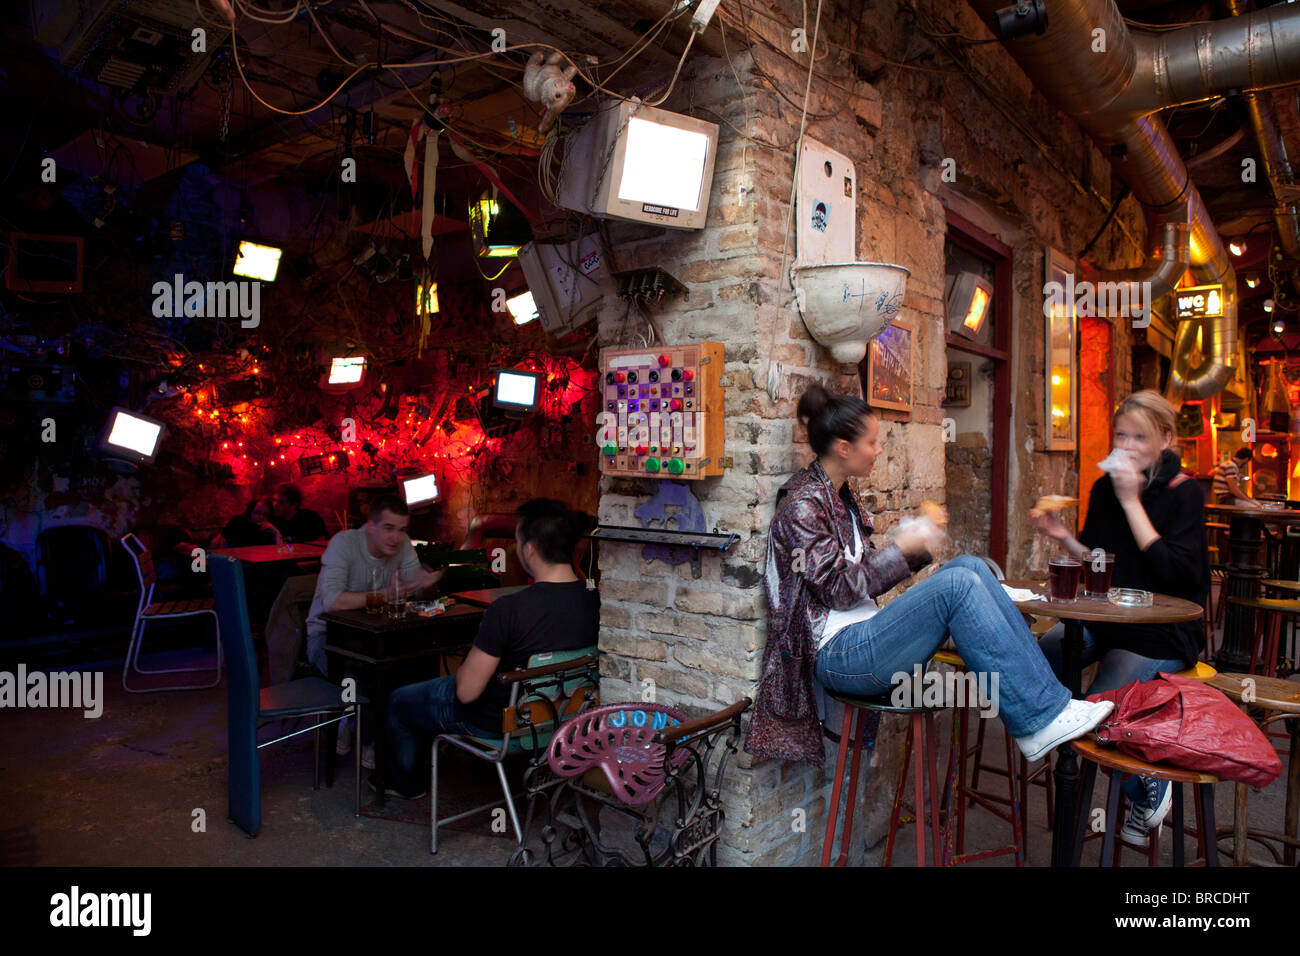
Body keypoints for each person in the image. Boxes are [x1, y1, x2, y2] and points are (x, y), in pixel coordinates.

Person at [746, 384, 1112, 772]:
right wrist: (900, 551)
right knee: (958, 585)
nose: (879, 450)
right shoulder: (803, 505)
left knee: (970, 567)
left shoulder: (839, 496)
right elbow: (837, 590)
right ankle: (1039, 718)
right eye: (873, 442)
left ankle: (1047, 706)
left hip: (862, 637)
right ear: (843, 448)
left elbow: (863, 580)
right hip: (838, 655)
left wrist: (912, 546)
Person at [1031, 389, 1209, 848]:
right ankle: (1063, 745)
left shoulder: (1184, 492)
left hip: (1160, 631)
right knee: (1036, 659)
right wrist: (1065, 539)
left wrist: (1133, 502)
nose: (1126, 447)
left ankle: (1144, 786)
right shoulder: (1102, 487)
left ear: (1166, 439)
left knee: (1098, 709)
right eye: (1120, 435)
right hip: (1109, 615)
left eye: (1140, 438)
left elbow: (1179, 576)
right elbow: (1099, 563)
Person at [383, 499, 599, 799]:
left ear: (529, 549)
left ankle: (407, 786)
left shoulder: (508, 609)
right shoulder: (597, 600)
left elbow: (466, 693)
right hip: (565, 720)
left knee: (398, 700)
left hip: (499, 724)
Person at [213, 497, 282, 549]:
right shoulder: (239, 522)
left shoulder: (269, 532)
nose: (261, 517)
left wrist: (276, 533)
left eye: (265, 514)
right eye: (257, 513)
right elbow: (224, 540)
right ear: (250, 512)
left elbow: (280, 554)